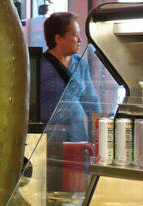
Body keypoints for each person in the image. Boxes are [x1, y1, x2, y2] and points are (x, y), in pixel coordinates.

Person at [39, 11, 99, 144]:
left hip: (77, 139)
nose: (80, 40)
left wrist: (99, 136)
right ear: (58, 38)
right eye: (75, 35)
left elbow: (92, 104)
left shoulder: (80, 65)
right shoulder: (39, 66)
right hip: (48, 142)